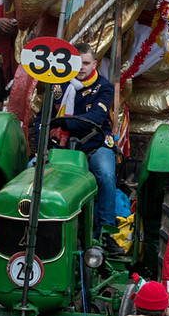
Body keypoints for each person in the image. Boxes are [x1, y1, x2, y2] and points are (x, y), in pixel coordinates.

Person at [35, 46, 117, 241]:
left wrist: (63, 122)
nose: (81, 68)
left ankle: (105, 231)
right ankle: (35, 228)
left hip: (94, 144)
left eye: (86, 63)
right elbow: (42, 119)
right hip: (60, 148)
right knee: (31, 170)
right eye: (77, 64)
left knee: (106, 174)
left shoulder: (104, 88)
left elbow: (96, 117)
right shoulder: (57, 85)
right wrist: (41, 148)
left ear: (94, 64)